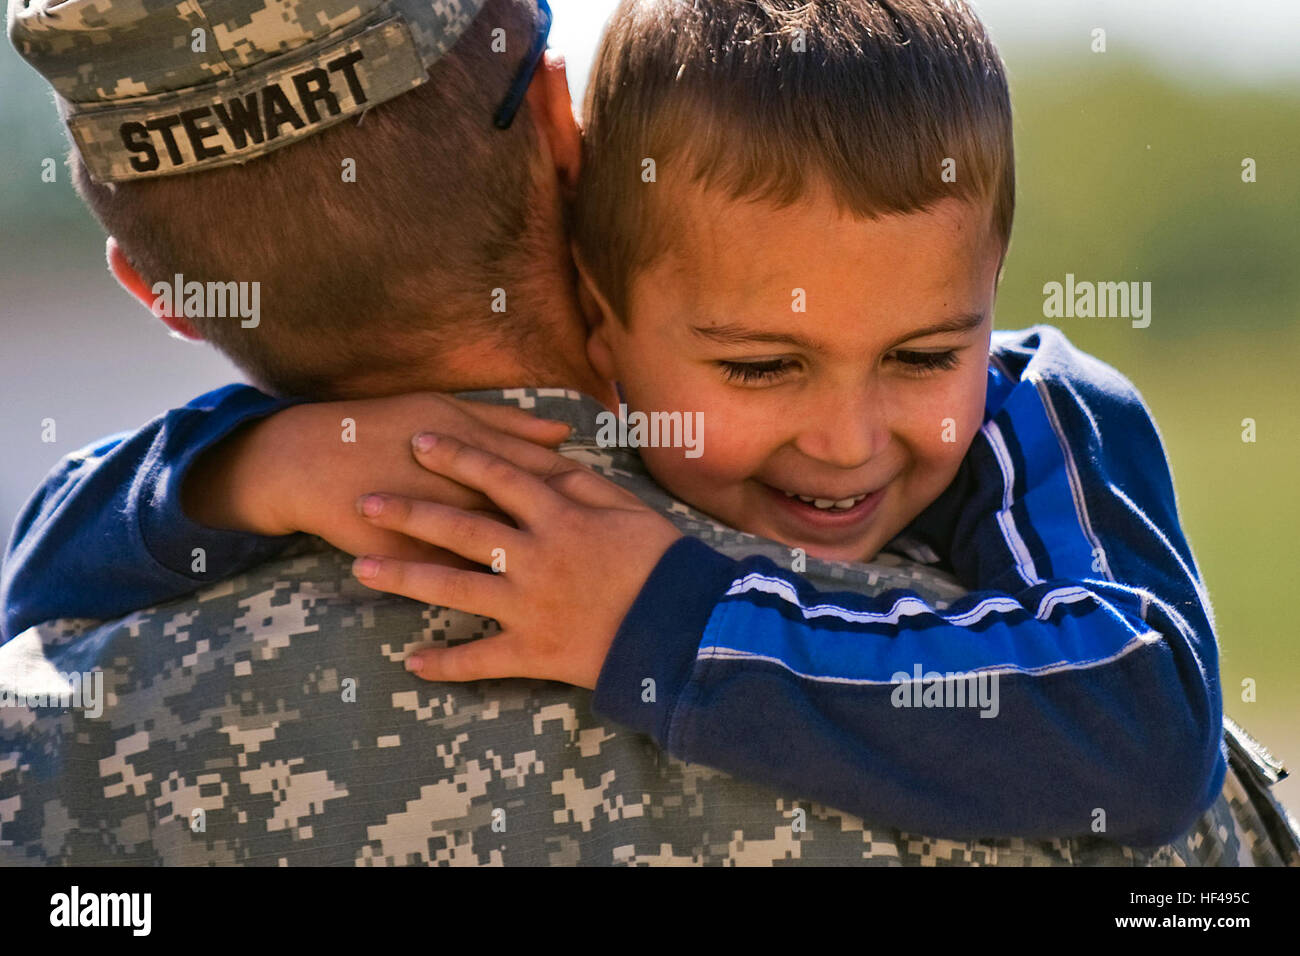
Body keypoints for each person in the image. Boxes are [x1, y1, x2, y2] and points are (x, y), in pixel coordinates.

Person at [1, 0, 1295, 861]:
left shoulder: (1039, 417)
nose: (846, 439)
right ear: (604, 317)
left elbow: (1145, 723)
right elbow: (39, 560)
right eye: (763, 365)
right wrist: (252, 465)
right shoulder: (574, 420)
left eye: (923, 353)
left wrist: (669, 622)